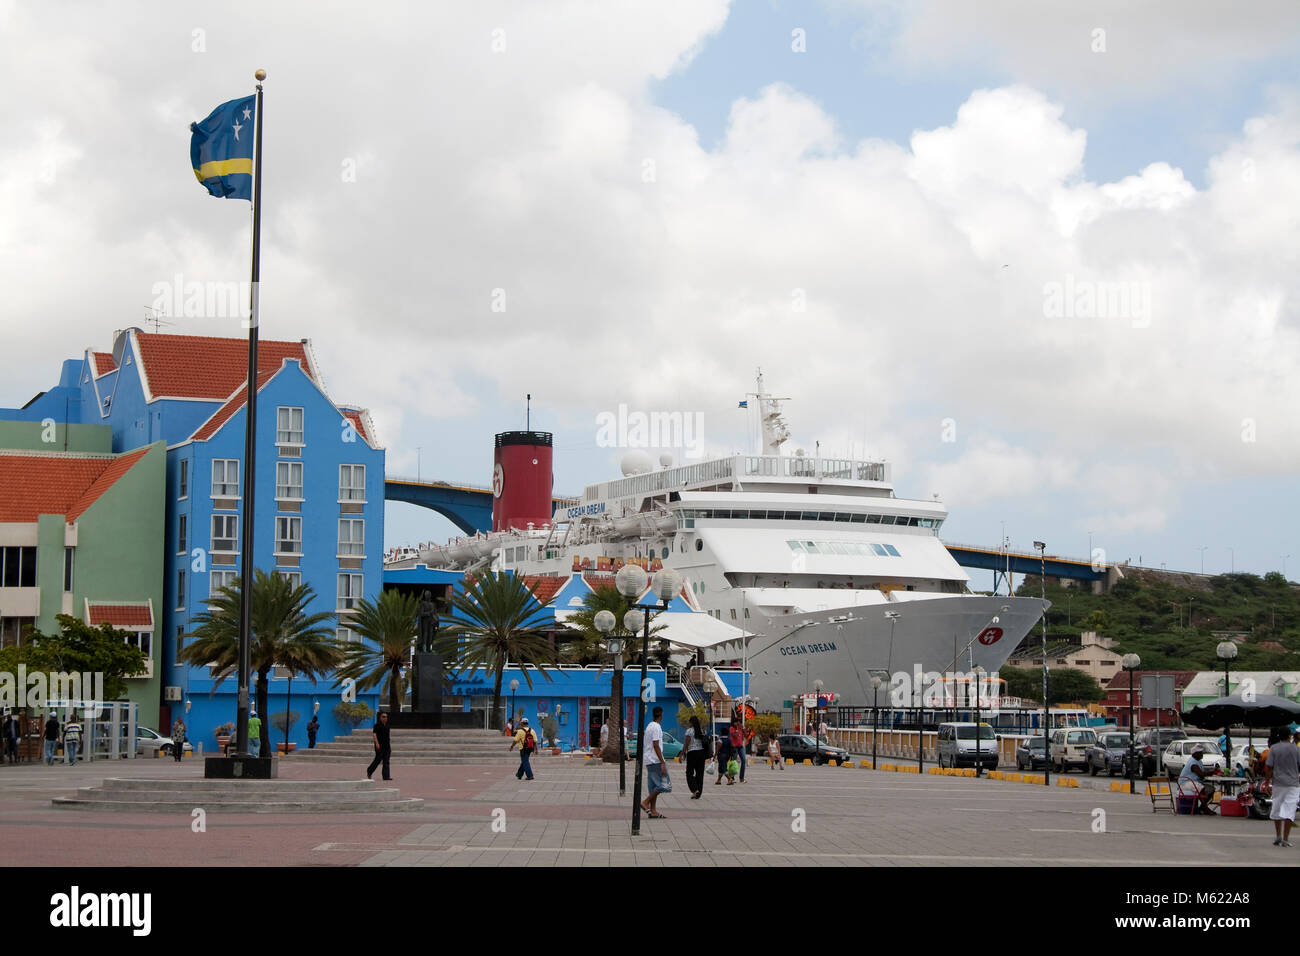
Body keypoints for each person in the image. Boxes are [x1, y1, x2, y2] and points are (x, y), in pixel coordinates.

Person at [1266, 725, 1300, 847]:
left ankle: (1278, 836)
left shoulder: (1274, 748)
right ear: (1290, 735)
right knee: (1289, 810)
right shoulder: (1296, 749)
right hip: (1293, 784)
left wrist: (1266, 782)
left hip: (1278, 783)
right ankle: (1285, 839)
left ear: (1279, 736)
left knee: (1276, 807)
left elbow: (1269, 767)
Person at [640, 706, 670, 818]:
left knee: (654, 787)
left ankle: (653, 811)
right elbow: (656, 744)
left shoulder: (649, 726)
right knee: (665, 785)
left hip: (648, 759)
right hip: (655, 759)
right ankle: (645, 802)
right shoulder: (657, 727)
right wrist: (662, 762)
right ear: (661, 715)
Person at [1178, 744, 1217, 814]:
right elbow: (1201, 774)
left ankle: (1202, 808)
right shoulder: (1193, 763)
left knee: (1211, 789)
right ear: (1195, 754)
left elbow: (1202, 774)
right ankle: (1206, 809)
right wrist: (1212, 773)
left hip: (1194, 782)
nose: (1202, 754)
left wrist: (1212, 772)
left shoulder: (1199, 761)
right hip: (1185, 782)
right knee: (1201, 788)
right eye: (1200, 753)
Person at [683, 715, 707, 799]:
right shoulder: (701, 731)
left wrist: (682, 753)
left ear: (691, 722)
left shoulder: (689, 731)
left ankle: (694, 789)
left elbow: (687, 743)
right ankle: (698, 793)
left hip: (692, 753)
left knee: (689, 773)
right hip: (701, 753)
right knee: (700, 774)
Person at [366, 710, 392, 781]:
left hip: (387, 746)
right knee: (378, 760)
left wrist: (389, 746)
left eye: (386, 717)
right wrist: (377, 743)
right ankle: (369, 770)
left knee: (386, 761)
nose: (385, 718)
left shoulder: (387, 725)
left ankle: (386, 776)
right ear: (380, 717)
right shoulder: (377, 725)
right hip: (379, 746)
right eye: (383, 717)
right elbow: (374, 734)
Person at [510, 716, 537, 781]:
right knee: (524, 761)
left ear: (522, 723)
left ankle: (530, 775)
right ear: (527, 723)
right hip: (530, 748)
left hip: (523, 749)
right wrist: (536, 749)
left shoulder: (520, 731)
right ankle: (519, 774)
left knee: (525, 762)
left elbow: (515, 740)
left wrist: (512, 746)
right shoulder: (532, 730)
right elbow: (535, 741)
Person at [729, 718, 746, 783]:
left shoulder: (740, 728)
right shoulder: (732, 728)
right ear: (734, 723)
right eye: (736, 722)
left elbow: (745, 735)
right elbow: (735, 736)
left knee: (744, 760)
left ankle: (741, 778)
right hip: (734, 747)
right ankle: (732, 777)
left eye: (738, 722)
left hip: (740, 746)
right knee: (734, 762)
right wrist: (737, 728)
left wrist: (743, 729)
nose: (737, 724)